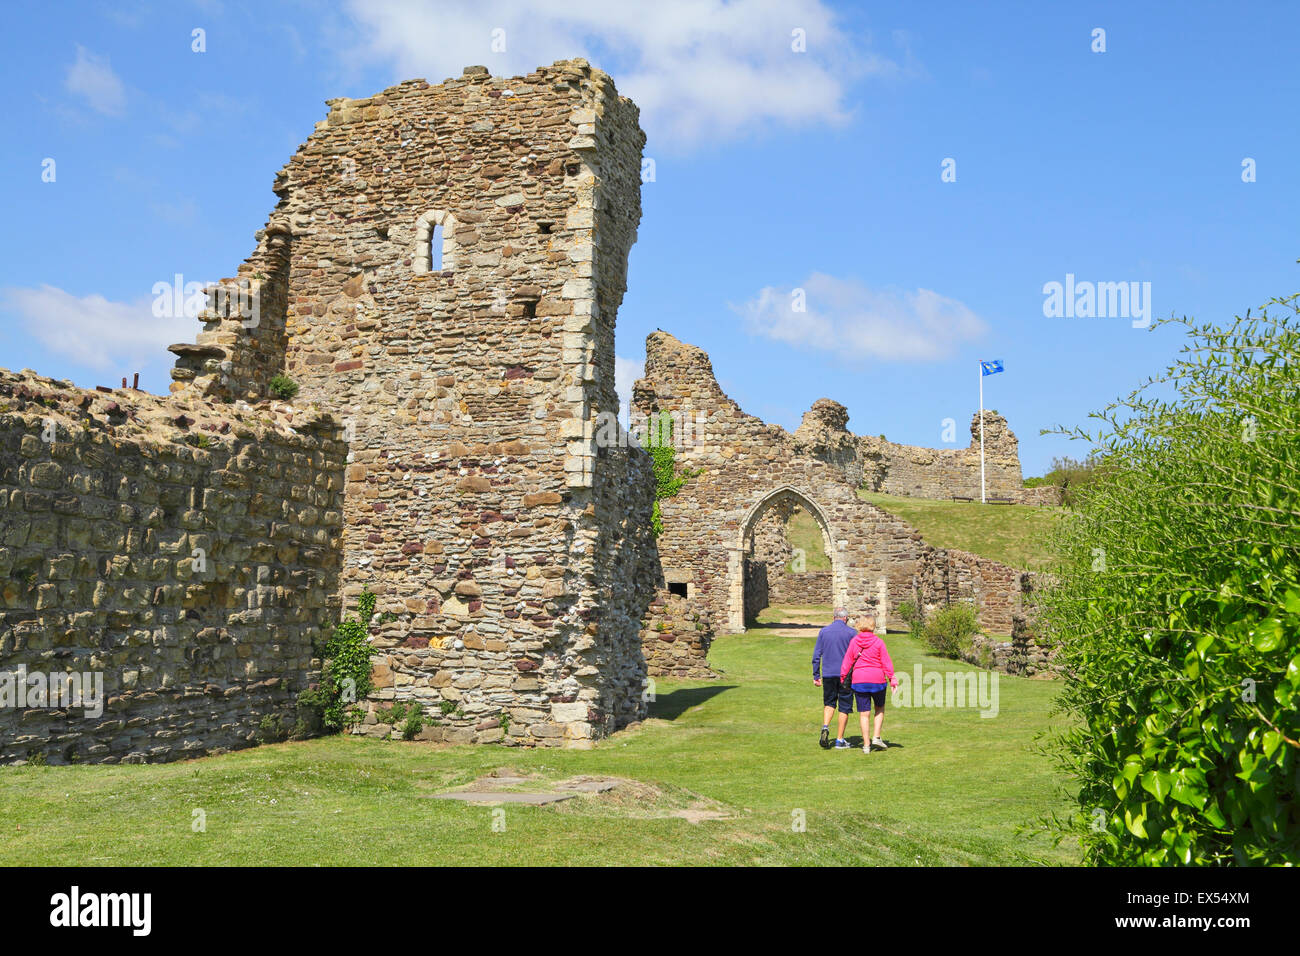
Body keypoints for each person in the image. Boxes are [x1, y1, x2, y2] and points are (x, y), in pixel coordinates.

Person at [840, 614, 898, 753]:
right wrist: (892, 679)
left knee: (864, 714)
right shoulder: (878, 642)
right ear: (873, 626)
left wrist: (843, 678)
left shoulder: (854, 641)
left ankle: (866, 745)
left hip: (859, 679)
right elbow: (886, 662)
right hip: (877, 679)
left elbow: (847, 661)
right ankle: (876, 736)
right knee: (879, 708)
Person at [812, 607, 856, 749]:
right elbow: (856, 656)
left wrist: (816, 675)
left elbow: (816, 655)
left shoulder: (824, 632)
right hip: (846, 675)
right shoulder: (851, 633)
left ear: (833, 618)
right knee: (844, 706)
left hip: (829, 674)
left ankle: (825, 727)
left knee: (829, 703)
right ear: (845, 618)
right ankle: (839, 739)